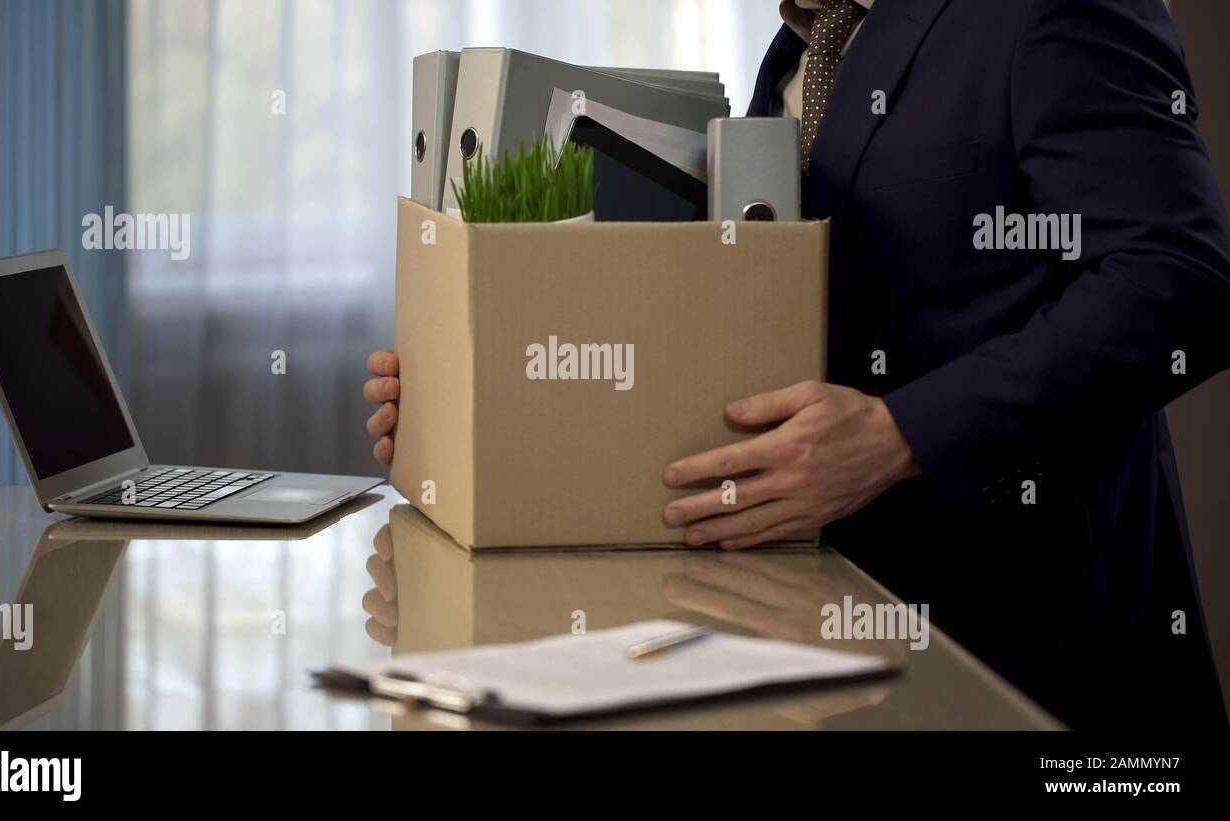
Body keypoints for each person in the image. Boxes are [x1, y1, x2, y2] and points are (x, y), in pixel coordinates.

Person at [366, 0, 1230, 729]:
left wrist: (903, 434)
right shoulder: (800, 45)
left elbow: (1183, 281)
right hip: (819, 629)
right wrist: (478, 394)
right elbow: (762, 310)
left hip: (1031, 641)